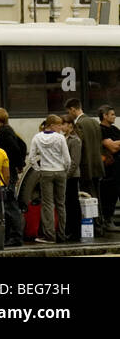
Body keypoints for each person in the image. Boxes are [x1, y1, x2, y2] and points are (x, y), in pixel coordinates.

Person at [65, 98, 107, 236]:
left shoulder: (80, 124)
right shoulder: (94, 122)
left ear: (73, 109)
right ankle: (100, 224)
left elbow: (80, 148)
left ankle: (96, 227)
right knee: (97, 199)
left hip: (86, 167)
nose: (69, 115)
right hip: (97, 166)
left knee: (89, 199)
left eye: (68, 112)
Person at [26, 114, 69, 243]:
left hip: (46, 172)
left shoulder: (37, 137)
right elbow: (67, 159)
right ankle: (61, 235)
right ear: (51, 125)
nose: (61, 127)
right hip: (60, 172)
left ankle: (50, 236)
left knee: (48, 205)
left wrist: (39, 170)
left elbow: (32, 158)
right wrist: (64, 169)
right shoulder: (60, 138)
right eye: (59, 124)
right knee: (61, 204)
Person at [0, 108, 27, 183]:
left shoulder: (4, 132)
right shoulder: (7, 129)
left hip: (9, 169)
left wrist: (20, 165)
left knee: (9, 191)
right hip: (9, 167)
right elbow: (22, 145)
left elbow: (16, 148)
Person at [99, 105, 120, 229]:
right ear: (104, 116)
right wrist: (114, 144)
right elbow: (112, 147)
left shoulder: (115, 129)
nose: (114, 116)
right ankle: (107, 220)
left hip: (118, 168)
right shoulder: (101, 129)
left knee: (116, 193)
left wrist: (114, 143)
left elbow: (114, 145)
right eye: (112, 114)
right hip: (108, 169)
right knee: (108, 195)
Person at [62, 118, 82, 242]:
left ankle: (75, 232)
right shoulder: (64, 138)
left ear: (70, 125)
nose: (62, 126)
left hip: (72, 176)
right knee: (67, 205)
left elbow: (74, 162)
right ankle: (69, 230)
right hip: (66, 175)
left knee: (73, 204)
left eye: (63, 124)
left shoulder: (75, 140)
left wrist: (66, 176)